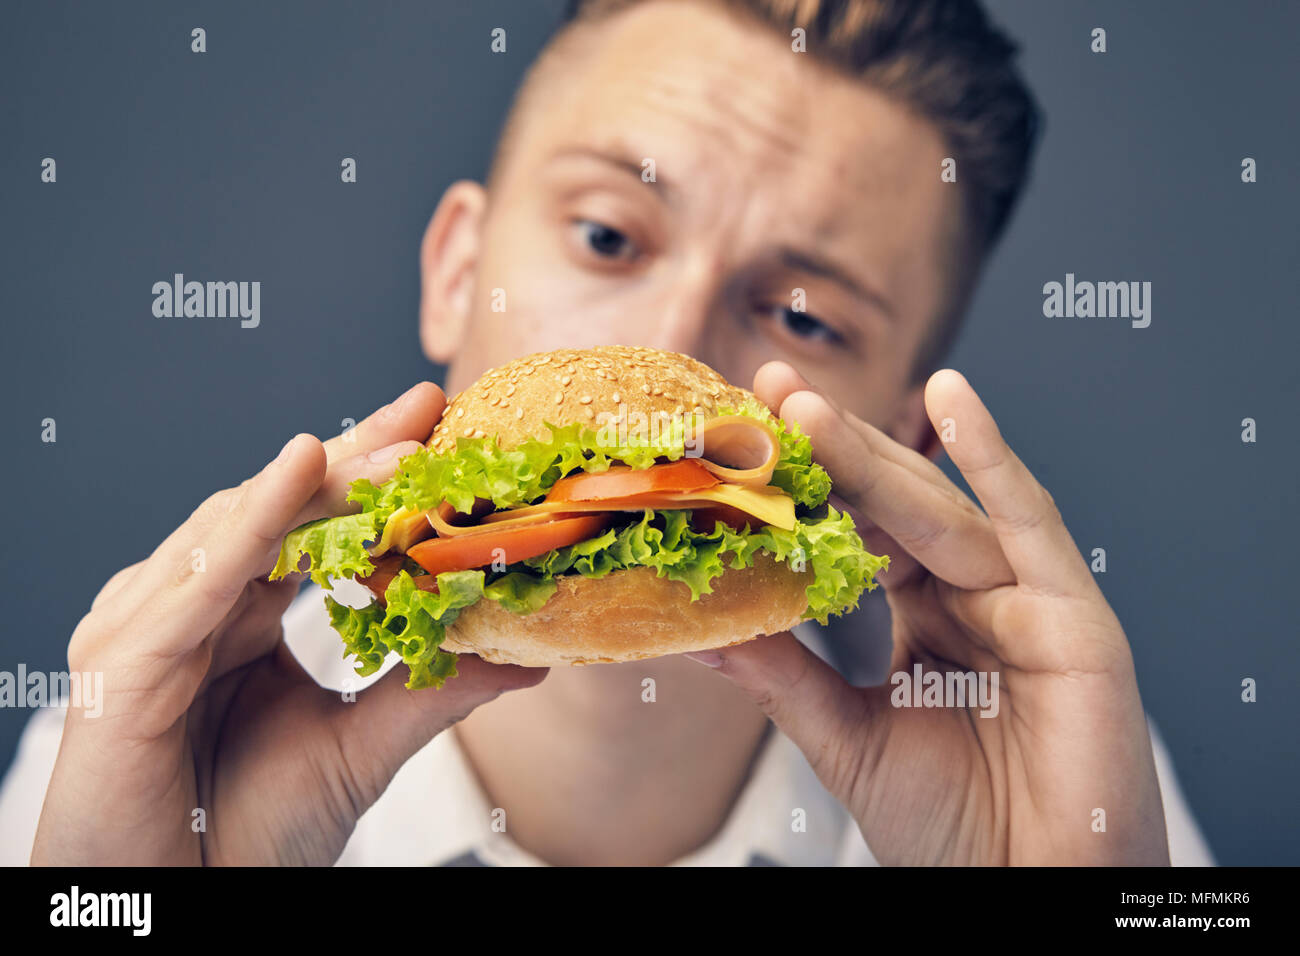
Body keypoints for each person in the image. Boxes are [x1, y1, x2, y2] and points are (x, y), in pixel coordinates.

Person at [0, 0, 1212, 866]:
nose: (676, 349)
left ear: (896, 434)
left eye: (802, 312)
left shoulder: (1053, 775)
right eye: (607, 236)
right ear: (454, 268)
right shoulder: (151, 751)